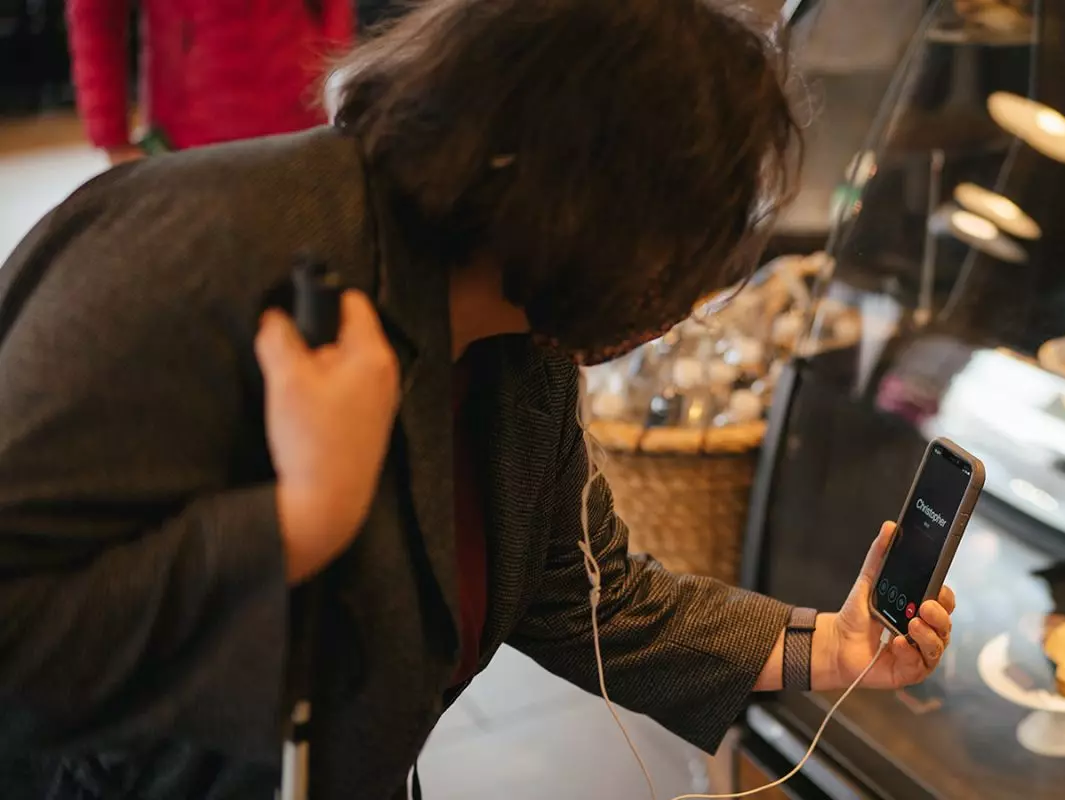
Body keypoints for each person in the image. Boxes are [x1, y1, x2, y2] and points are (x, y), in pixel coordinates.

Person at [0, 2, 957, 798]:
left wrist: (825, 650)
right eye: (689, 242)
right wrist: (296, 523)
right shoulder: (191, 253)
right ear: (588, 196)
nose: (689, 298)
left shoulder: (514, 341)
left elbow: (585, 595)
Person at [65, 0, 354, 164]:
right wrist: (113, 140)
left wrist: (332, 76)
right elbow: (96, 14)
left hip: (299, 125)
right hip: (188, 146)